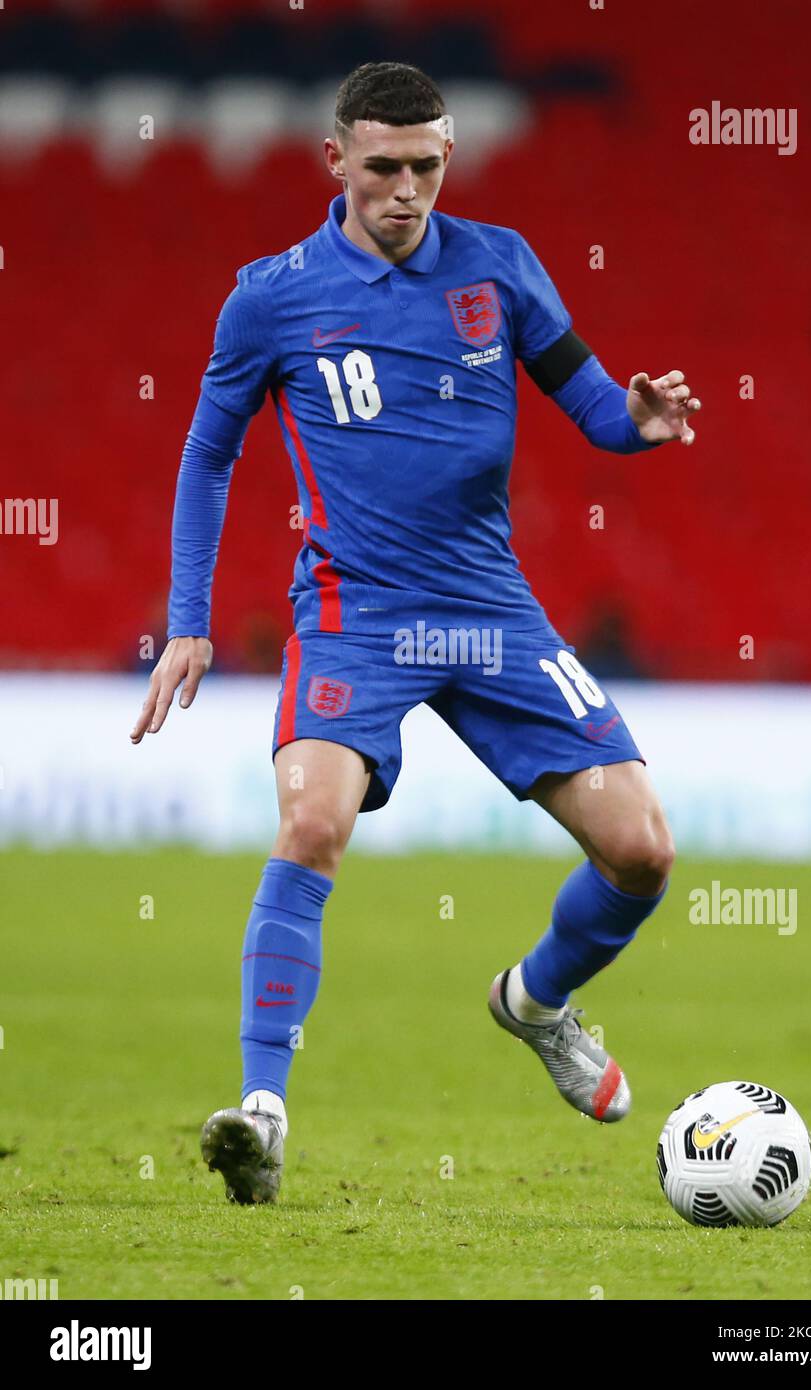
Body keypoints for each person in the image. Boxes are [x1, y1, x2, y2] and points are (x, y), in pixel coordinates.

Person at [131, 61, 701, 1204]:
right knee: (310, 824)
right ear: (333, 162)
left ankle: (532, 1003)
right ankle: (262, 1114)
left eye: (426, 167)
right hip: (356, 616)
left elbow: (591, 406)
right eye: (382, 167)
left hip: (490, 608)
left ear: (449, 160)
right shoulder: (272, 295)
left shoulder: (501, 265)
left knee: (643, 849)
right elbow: (208, 451)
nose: (405, 190)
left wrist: (638, 423)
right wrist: (188, 619)